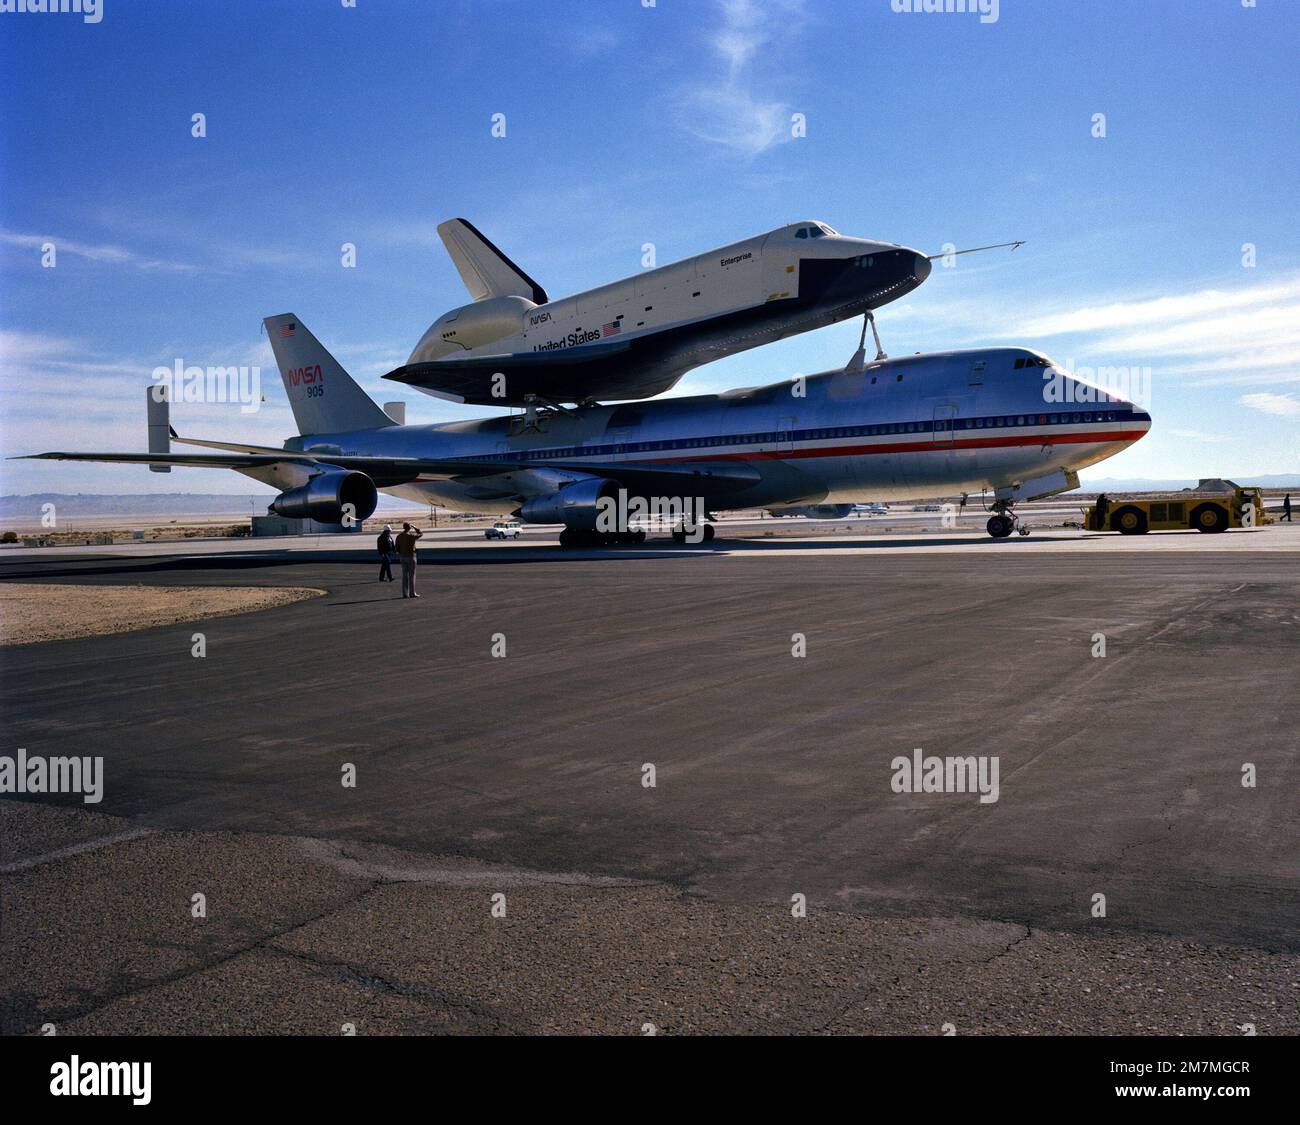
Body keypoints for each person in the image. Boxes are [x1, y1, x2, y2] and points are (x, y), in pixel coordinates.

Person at [395, 521, 424, 598]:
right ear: (409, 528)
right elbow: (421, 534)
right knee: (412, 575)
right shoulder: (411, 536)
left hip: (402, 557)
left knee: (404, 576)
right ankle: (412, 593)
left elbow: (397, 548)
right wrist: (415, 527)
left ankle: (405, 593)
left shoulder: (399, 536)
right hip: (411, 557)